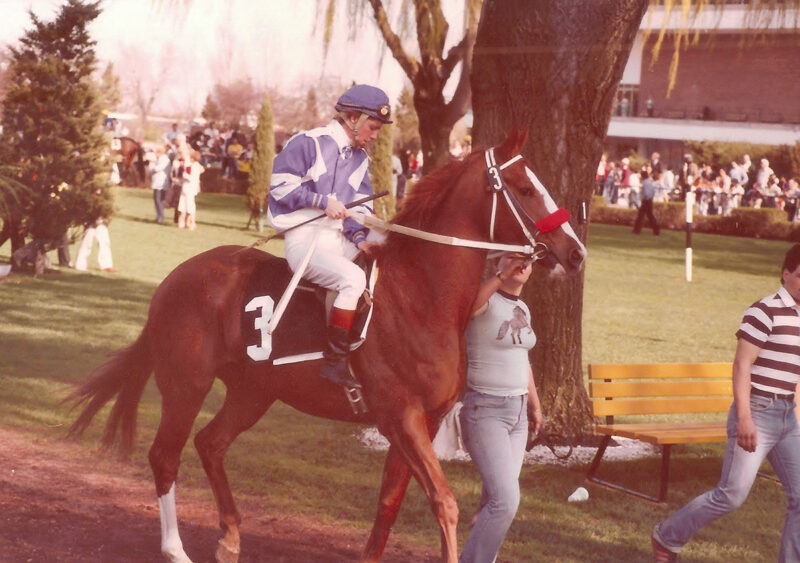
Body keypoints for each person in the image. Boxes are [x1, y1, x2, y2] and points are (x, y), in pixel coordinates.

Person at [652, 244, 800, 563]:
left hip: (788, 418)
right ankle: (667, 536)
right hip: (757, 413)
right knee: (731, 495)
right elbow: (741, 365)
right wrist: (744, 418)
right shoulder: (764, 310)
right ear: (786, 274)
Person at [267, 84, 392, 388]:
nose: (375, 135)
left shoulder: (361, 159)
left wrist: (362, 238)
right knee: (352, 280)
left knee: (386, 261)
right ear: (352, 118)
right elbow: (280, 187)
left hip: (340, 239)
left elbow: (358, 209)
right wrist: (321, 202)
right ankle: (334, 363)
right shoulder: (308, 143)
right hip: (306, 240)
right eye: (372, 127)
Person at [459, 251, 544, 563]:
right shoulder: (485, 300)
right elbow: (466, 308)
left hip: (518, 413)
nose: (521, 264)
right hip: (486, 410)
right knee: (505, 502)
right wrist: (500, 277)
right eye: (511, 258)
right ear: (497, 263)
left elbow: (522, 358)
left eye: (526, 260)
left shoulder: (522, 307)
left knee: (496, 502)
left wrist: (534, 406)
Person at [178, 150, 204, 230]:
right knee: (182, 205)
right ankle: (182, 223)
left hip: (190, 188)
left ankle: (190, 223)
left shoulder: (196, 166)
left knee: (190, 206)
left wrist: (184, 174)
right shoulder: (190, 165)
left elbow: (192, 178)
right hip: (185, 187)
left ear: (193, 158)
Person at [632, 170, 660, 235]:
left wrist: (644, 198)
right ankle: (656, 230)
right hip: (649, 200)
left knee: (642, 216)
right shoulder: (650, 182)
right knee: (648, 216)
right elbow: (652, 192)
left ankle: (637, 230)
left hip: (646, 201)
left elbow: (646, 193)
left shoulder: (645, 183)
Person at [149, 145, 171, 223]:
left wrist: (152, 167)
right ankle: (158, 216)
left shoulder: (165, 160)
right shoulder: (158, 159)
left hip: (161, 183)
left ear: (159, 153)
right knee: (156, 200)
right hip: (157, 182)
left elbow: (156, 168)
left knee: (159, 200)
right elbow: (151, 168)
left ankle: (160, 217)